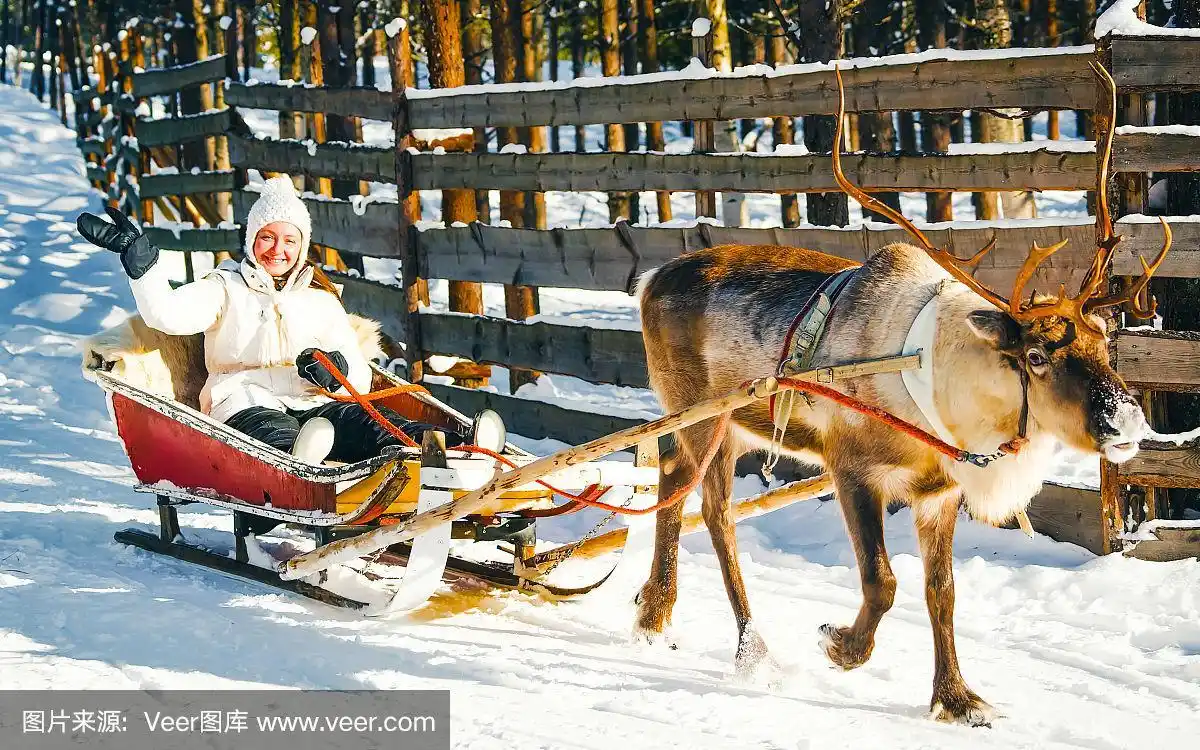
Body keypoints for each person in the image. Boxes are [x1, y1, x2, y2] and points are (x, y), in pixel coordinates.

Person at [76, 175, 504, 464]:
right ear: (252, 240)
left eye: (288, 240)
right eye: (267, 237)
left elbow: (358, 372)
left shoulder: (319, 297)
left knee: (369, 423)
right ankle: (300, 467)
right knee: (273, 431)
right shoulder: (224, 287)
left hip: (315, 401)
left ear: (302, 246)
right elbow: (166, 315)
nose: (277, 250)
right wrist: (143, 266)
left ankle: (453, 449)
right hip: (243, 400)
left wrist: (334, 369)